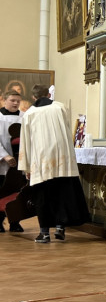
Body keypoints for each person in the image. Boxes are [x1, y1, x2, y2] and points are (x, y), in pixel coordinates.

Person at [18, 85, 90, 242]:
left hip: (41, 161)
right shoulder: (60, 107)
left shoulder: (29, 114)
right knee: (62, 194)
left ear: (33, 97)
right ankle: (60, 227)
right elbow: (67, 129)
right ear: (49, 94)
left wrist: (26, 167)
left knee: (42, 198)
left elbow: (25, 141)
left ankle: (44, 233)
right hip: (62, 159)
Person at [0, 91, 24, 232]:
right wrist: (5, 156)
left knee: (17, 192)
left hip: (19, 163)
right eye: (12, 100)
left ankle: (15, 221)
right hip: (2, 163)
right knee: (2, 191)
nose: (15, 103)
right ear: (4, 100)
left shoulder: (24, 117)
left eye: (18, 101)